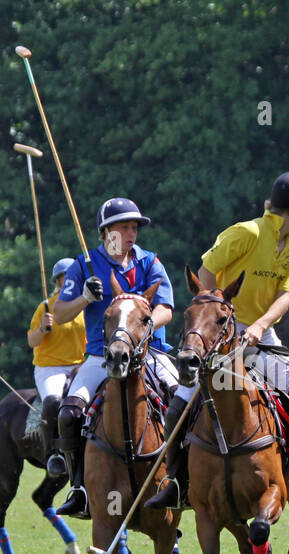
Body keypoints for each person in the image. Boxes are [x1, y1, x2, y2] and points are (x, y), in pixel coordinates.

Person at [145, 171, 289, 513]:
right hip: (218, 331)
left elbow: (287, 295)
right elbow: (207, 272)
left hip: (262, 333)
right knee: (179, 405)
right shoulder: (247, 232)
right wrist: (220, 316)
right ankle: (176, 483)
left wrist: (258, 325)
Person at [52, 198, 181, 517]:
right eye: (124, 226)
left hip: (150, 353)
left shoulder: (150, 263)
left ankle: (182, 480)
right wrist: (84, 297)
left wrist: (145, 324)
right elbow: (59, 314)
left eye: (134, 227)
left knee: (183, 402)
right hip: (100, 356)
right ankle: (79, 487)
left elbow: (166, 308)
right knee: (69, 414)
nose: (131, 233)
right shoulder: (84, 265)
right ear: (106, 232)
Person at [27, 257, 86, 475]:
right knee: (53, 402)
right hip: (50, 367)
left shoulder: (84, 306)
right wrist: (42, 329)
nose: (70, 282)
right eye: (66, 278)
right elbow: (31, 341)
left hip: (80, 366)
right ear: (58, 281)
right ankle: (53, 454)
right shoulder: (46, 308)